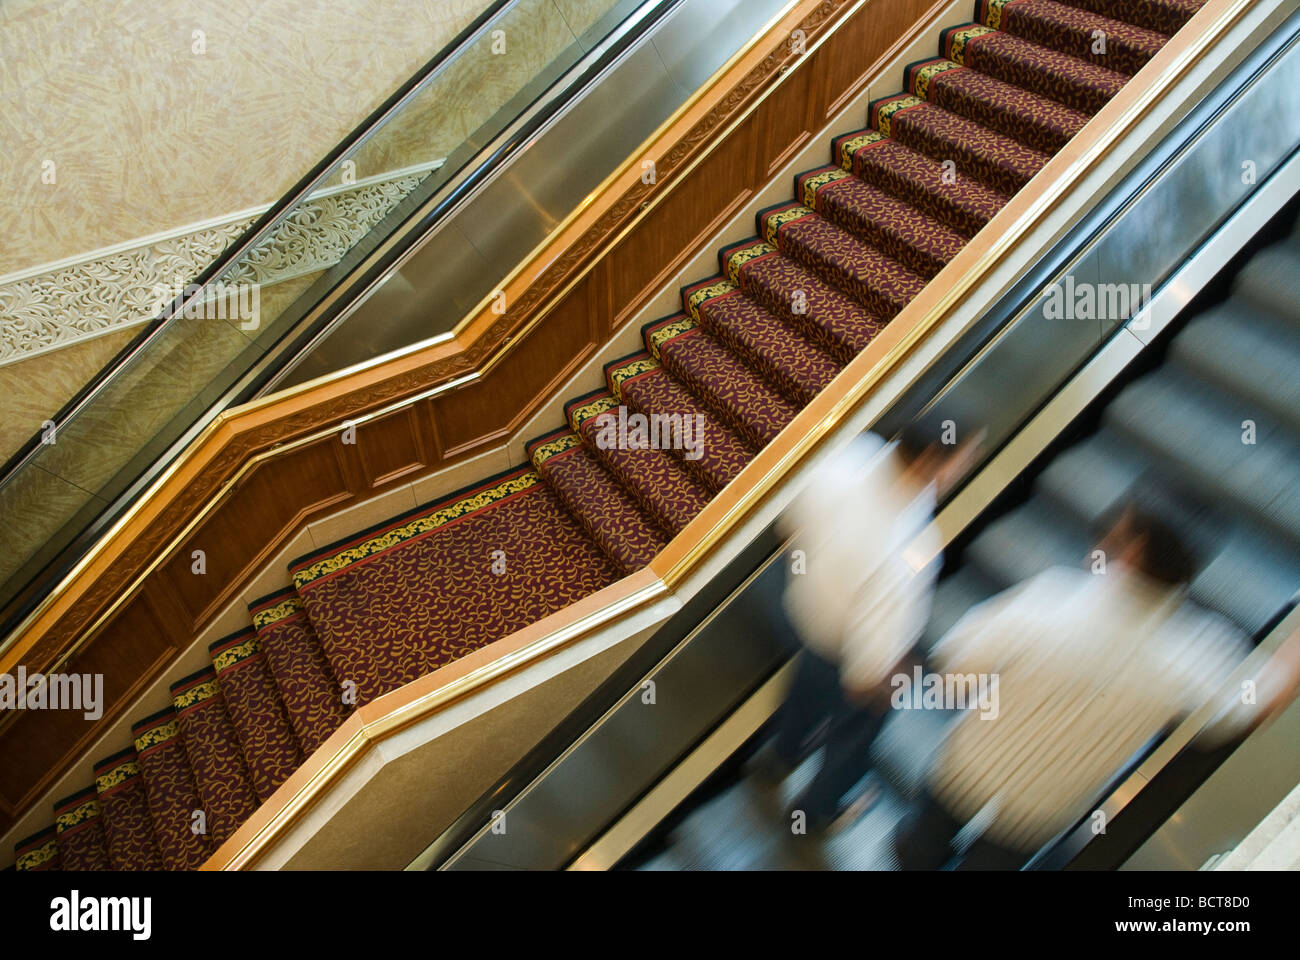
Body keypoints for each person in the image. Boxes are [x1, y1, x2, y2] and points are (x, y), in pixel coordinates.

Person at [895, 490, 1300, 869]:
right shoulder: (1196, 653)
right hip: (1041, 813)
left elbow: (954, 672)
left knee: (918, 851)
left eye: (1118, 526)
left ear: (1134, 547)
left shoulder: (1052, 598)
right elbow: (1257, 704)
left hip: (964, 769)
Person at [761, 421, 982, 835]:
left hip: (805, 608)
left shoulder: (850, 456)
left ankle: (782, 756)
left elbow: (789, 524)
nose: (963, 469)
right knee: (855, 727)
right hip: (847, 647)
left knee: (806, 689)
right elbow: (878, 636)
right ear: (931, 461)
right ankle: (815, 813)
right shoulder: (910, 542)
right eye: (961, 459)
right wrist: (874, 681)